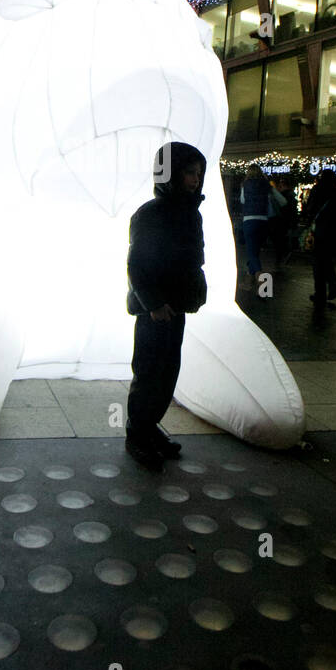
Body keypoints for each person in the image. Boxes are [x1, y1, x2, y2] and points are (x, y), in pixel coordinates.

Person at [125, 141, 208, 472]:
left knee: (167, 373)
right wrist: (154, 304)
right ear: (171, 173)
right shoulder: (150, 214)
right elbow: (138, 265)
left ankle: (149, 428)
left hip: (176, 307)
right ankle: (137, 434)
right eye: (189, 172)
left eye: (199, 173)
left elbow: (192, 261)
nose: (195, 180)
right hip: (156, 311)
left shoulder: (191, 212)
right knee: (148, 373)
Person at [302, 169, 336, 316]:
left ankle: (322, 292)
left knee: (318, 262)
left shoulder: (317, 190)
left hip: (319, 230)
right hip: (333, 232)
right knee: (326, 259)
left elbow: (310, 208)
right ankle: (331, 285)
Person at [240, 166, 285, 285]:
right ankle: (249, 283)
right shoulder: (267, 185)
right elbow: (283, 201)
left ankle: (263, 283)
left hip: (249, 220)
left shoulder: (245, 185)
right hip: (263, 221)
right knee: (255, 252)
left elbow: (243, 200)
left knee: (251, 253)